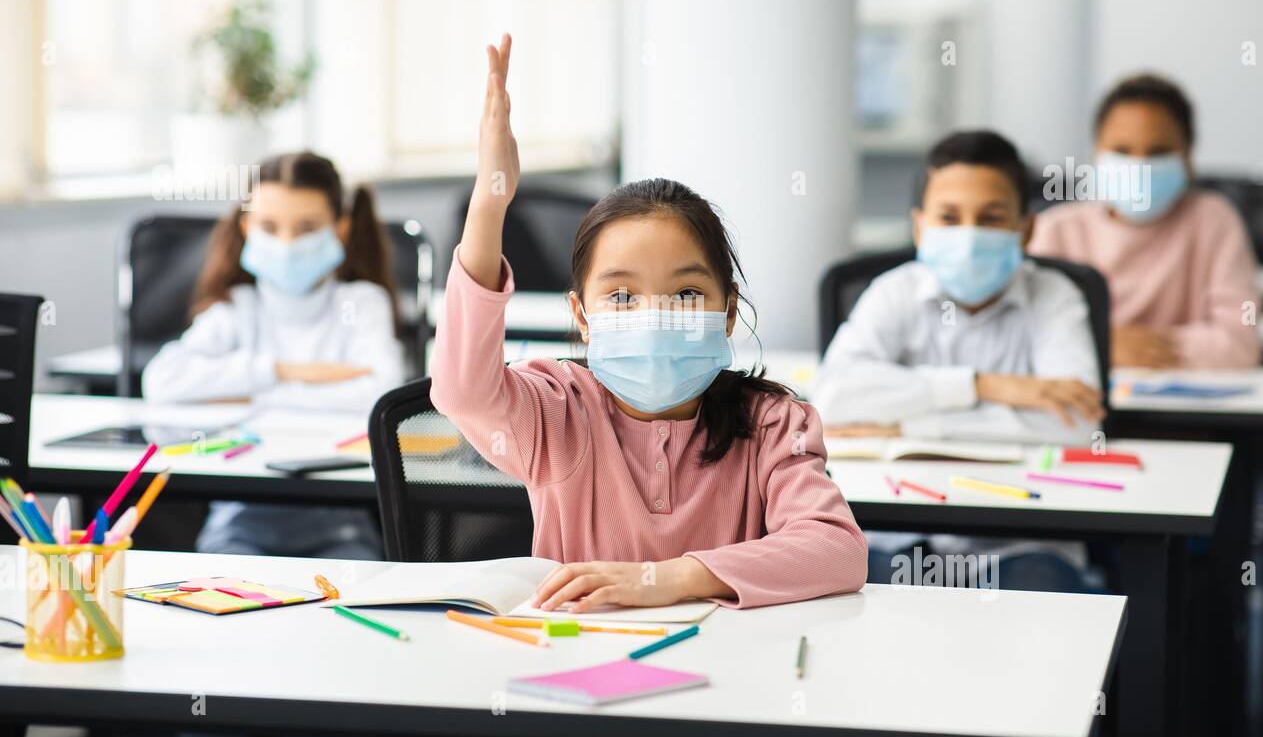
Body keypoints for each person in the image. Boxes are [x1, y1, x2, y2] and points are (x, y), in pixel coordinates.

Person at [431, 34, 868, 610]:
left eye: (687, 293)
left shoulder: (772, 425)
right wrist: (489, 207)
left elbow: (836, 549)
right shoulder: (559, 413)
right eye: (621, 295)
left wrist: (667, 579)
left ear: (729, 311)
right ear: (581, 317)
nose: (655, 316)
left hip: (728, 679)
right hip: (580, 663)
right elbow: (462, 390)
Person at [813, 130, 1104, 592]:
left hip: (1017, 547)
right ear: (919, 227)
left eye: (990, 218)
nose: (968, 235)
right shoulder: (894, 291)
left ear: (1026, 229)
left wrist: (910, 429)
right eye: (948, 217)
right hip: (894, 541)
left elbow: (1075, 423)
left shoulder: (1056, 297)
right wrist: (982, 386)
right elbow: (833, 399)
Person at [142, 151, 403, 559]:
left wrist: (245, 398)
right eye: (269, 226)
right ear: (246, 228)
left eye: (307, 227)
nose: (287, 244)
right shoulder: (236, 307)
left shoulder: (363, 303)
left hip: (343, 533)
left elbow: (379, 397)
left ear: (342, 228)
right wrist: (285, 371)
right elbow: (161, 382)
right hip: (236, 529)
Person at [1029, 73, 1261, 368]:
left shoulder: (1215, 221)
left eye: (1158, 152)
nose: (1138, 166)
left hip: (1185, 412)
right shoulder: (1055, 230)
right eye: (1122, 151)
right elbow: (1030, 339)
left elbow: (1240, 345)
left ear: (1188, 159)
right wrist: (1108, 343)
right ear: (1096, 155)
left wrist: (1103, 343)